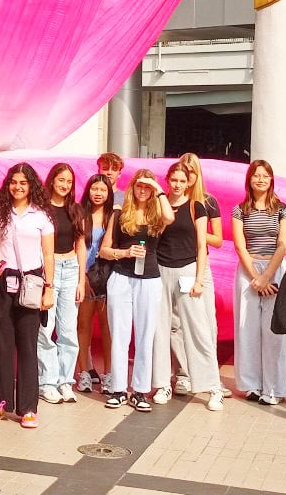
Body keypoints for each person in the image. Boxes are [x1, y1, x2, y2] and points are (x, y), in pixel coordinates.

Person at [0, 163, 56, 428]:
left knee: (27, 347)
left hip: (32, 285)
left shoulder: (41, 215)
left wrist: (49, 288)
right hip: (3, 284)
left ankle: (28, 408)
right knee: (2, 346)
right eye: (13, 182)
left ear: (31, 185)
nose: (18, 187)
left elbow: (48, 254)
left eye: (23, 183)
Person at [98, 170, 173, 411]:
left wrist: (158, 188)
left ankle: (140, 391)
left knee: (145, 335)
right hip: (121, 276)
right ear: (132, 187)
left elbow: (170, 217)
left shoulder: (157, 216)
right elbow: (104, 250)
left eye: (147, 186)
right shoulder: (119, 213)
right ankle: (118, 389)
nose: (143, 190)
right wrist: (125, 253)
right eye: (139, 185)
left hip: (149, 279)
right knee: (119, 335)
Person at [152, 162, 225, 412]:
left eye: (182, 181)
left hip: (187, 270)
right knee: (161, 329)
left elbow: (202, 245)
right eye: (174, 180)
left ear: (188, 183)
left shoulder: (197, 207)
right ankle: (163, 384)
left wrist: (199, 279)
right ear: (167, 180)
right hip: (160, 271)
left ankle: (213, 387)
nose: (178, 185)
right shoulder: (158, 205)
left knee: (198, 330)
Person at [230, 159, 286, 405]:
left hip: (275, 269)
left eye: (265, 175)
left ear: (271, 179)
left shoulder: (282, 209)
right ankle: (251, 384)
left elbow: (283, 244)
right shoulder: (239, 209)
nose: (261, 179)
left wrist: (266, 277)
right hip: (248, 270)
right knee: (247, 328)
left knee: (274, 331)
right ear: (249, 179)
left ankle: (275, 388)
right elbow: (239, 245)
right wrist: (256, 278)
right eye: (256, 175)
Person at [37, 163, 85, 406]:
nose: (65, 185)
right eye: (61, 180)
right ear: (52, 180)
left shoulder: (75, 209)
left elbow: (81, 245)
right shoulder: (41, 210)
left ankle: (65, 381)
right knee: (46, 329)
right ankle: (47, 383)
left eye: (69, 181)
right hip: (49, 268)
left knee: (68, 331)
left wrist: (81, 281)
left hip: (71, 268)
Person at [75, 173, 115, 395]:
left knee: (108, 329)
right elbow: (77, 247)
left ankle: (109, 374)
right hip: (86, 278)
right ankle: (84, 373)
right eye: (94, 189)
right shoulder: (80, 215)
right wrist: (82, 277)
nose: (98, 193)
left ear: (109, 193)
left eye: (102, 189)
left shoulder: (114, 216)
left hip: (108, 278)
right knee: (83, 326)